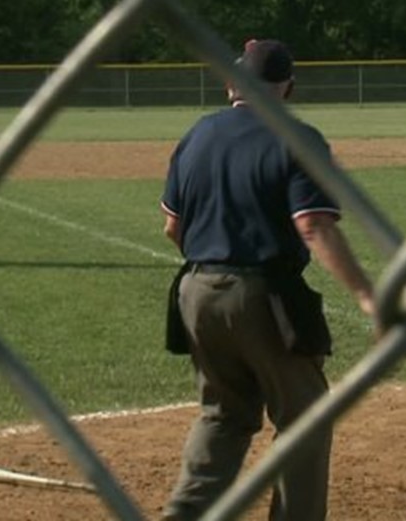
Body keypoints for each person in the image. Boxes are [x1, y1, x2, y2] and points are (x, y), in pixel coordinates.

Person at [158, 39, 375, 521]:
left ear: (231, 85)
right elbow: (312, 224)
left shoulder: (198, 134)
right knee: (305, 420)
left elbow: (172, 226)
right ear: (288, 88)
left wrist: (215, 267)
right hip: (263, 296)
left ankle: (185, 514)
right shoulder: (296, 137)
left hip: (195, 291)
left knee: (224, 414)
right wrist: (367, 295)